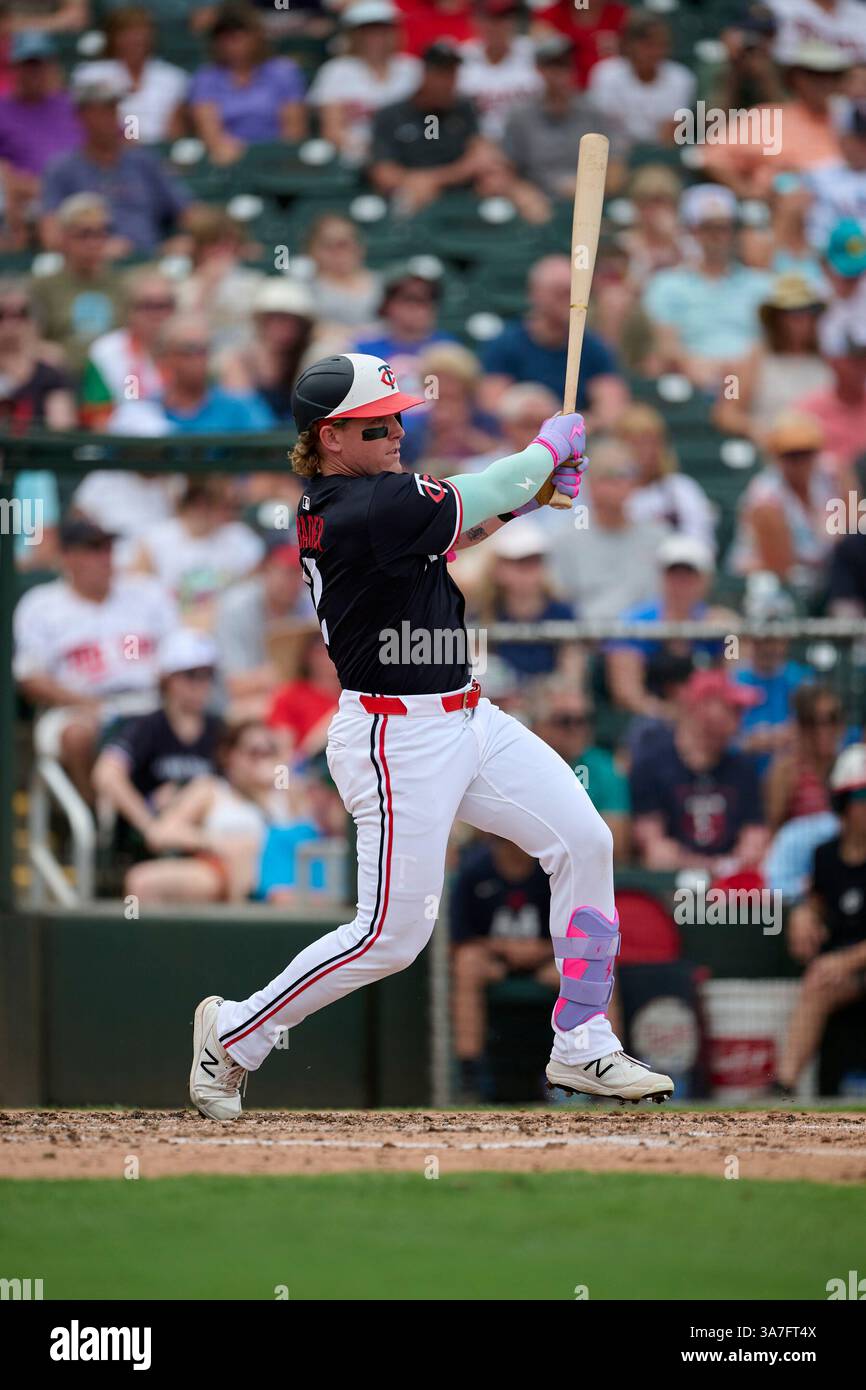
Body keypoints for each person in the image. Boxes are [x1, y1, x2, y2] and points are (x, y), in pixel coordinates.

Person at [188, 349, 674, 1120]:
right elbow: (480, 488)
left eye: (397, 420)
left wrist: (528, 500)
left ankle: (581, 1039)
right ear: (330, 440)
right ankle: (236, 1033)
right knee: (391, 937)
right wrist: (547, 451)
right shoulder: (361, 504)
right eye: (374, 426)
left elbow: (450, 535)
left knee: (586, 841)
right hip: (394, 738)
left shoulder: (370, 501)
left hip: (468, 716)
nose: (394, 433)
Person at [13, 517, 177, 797]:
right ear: (67, 557)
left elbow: (177, 652)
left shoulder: (146, 593)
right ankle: (96, 824)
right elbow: (29, 677)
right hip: (78, 706)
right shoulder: (40, 605)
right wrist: (89, 703)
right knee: (77, 736)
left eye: (108, 549)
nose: (105, 558)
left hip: (149, 700)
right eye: (93, 549)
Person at [368, 38, 547, 222]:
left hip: (465, 188)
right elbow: (384, 175)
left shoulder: (464, 108)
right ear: (424, 74)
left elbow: (482, 154)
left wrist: (439, 178)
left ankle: (536, 245)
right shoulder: (391, 114)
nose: (447, 81)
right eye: (440, 73)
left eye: (452, 73)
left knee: (525, 194)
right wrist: (434, 179)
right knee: (413, 193)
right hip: (416, 191)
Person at [775, 742, 866, 1095]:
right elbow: (817, 901)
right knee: (818, 982)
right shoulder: (825, 855)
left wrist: (845, 960)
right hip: (846, 969)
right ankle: (784, 1088)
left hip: (853, 961)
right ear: (844, 804)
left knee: (825, 973)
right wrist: (803, 913)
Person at [126, 720, 287, 904]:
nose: (262, 762)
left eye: (269, 753)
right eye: (254, 753)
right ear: (230, 756)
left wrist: (270, 788)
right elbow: (161, 834)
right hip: (222, 870)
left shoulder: (289, 791)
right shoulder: (210, 789)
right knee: (143, 881)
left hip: (281, 875)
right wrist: (218, 842)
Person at [629, 669, 769, 876]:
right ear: (701, 709)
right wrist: (709, 866)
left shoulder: (743, 767)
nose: (739, 721)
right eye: (733, 710)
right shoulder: (652, 765)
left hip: (729, 887)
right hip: (673, 886)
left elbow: (755, 836)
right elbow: (654, 847)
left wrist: (735, 861)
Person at [450, 834, 557, 1101]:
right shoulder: (474, 871)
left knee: (593, 971)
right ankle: (469, 1074)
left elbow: (578, 938)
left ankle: (598, 1066)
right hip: (493, 962)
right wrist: (504, 948)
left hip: (545, 962)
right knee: (467, 963)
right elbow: (458, 941)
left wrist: (539, 950)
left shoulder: (552, 872)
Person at [40, 72, 193, 257]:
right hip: (93, 269)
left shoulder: (143, 161)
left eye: (112, 109)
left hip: (150, 261)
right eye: (99, 110)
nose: (108, 117)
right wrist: (95, 248)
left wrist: (198, 237)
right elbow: (50, 235)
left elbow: (188, 212)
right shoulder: (62, 169)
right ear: (81, 116)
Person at [92, 629, 223, 843]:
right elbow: (106, 774)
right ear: (168, 679)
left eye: (208, 675)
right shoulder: (147, 726)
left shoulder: (220, 727)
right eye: (191, 675)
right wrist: (149, 824)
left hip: (210, 828)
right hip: (155, 837)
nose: (201, 684)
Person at [643, 184, 774, 391]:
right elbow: (665, 343)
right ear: (692, 231)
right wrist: (690, 364)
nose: (716, 236)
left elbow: (772, 340)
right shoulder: (666, 285)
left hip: (753, 382)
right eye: (707, 228)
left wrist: (742, 370)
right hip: (692, 381)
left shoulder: (762, 285)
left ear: (733, 231)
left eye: (723, 227)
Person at [480, 254, 628, 428]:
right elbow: (492, 407)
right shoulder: (506, 344)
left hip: (574, 445)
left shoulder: (593, 348)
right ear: (535, 294)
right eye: (560, 293)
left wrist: (562, 428)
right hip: (523, 442)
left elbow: (612, 413)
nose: (569, 301)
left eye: (573, 293)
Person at [605, 534, 732, 719]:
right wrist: (671, 716)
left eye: (688, 576)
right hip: (648, 723)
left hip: (706, 722)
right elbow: (627, 694)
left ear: (705, 581)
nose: (679, 584)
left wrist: (732, 634)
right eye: (673, 575)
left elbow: (735, 678)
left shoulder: (718, 624)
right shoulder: (632, 623)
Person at [548, 435, 670, 621]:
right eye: (608, 476)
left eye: (626, 475)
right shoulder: (564, 540)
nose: (618, 484)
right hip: (584, 639)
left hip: (647, 642)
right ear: (589, 482)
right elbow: (560, 603)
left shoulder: (659, 538)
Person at [501, 33, 627, 204]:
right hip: (538, 202)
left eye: (564, 65)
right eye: (552, 65)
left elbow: (616, 168)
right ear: (540, 69)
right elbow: (507, 171)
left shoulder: (593, 113)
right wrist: (522, 192)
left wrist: (586, 189)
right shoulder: (521, 116)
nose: (559, 73)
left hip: (589, 201)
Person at [130, 475, 265, 630]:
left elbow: (257, 584)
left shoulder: (239, 538)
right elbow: (137, 588)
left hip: (226, 627)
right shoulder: (157, 538)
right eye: (194, 502)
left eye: (208, 503)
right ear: (182, 506)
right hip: (173, 628)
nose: (201, 510)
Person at [713, 272, 832, 444]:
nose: (801, 320)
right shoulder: (752, 359)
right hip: (773, 450)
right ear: (776, 318)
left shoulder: (830, 358)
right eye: (791, 313)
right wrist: (754, 428)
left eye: (808, 312)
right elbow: (726, 412)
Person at [111, 313, 276, 435]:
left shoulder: (240, 407)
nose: (198, 359)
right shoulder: (145, 412)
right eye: (189, 350)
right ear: (165, 357)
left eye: (204, 350)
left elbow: (273, 464)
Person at [189, 2, 306, 165]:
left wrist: (264, 156)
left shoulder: (284, 72)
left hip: (279, 161)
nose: (233, 44)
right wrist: (238, 156)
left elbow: (294, 132)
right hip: (228, 161)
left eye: (239, 36)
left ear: (257, 36)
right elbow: (212, 135)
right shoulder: (206, 78)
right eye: (226, 37)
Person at [728, 411, 836, 585]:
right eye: (792, 455)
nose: (801, 462)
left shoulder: (831, 475)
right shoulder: (765, 496)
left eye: (807, 453)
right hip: (768, 581)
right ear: (776, 456)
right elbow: (780, 564)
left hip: (818, 575)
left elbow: (851, 530)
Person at [307, 0, 421, 163]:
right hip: (354, 158)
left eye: (383, 29)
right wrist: (373, 152)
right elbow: (332, 131)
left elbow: (425, 121)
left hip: (407, 156)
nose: (376, 37)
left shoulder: (412, 68)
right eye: (368, 31)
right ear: (354, 35)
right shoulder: (335, 70)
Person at [530, 676, 630, 861]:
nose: (576, 729)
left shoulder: (604, 768)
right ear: (538, 725)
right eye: (565, 721)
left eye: (582, 720)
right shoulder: (521, 766)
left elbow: (614, 845)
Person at [29, 193, 126, 376]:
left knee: (135, 394)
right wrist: (42, 349)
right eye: (84, 234)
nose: (93, 243)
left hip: (117, 379)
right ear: (64, 238)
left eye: (100, 233)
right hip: (63, 378)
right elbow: (26, 337)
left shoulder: (122, 284)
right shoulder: (43, 287)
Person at [0, 32, 81, 245]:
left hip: (82, 195)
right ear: (15, 67)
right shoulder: (2, 109)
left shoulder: (75, 104)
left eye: (40, 64)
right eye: (28, 64)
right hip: (29, 203)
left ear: (52, 65)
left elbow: (128, 127)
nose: (34, 71)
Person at [478, 518, 577, 684]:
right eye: (519, 562)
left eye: (535, 561)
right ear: (497, 568)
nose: (529, 570)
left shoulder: (564, 613)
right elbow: (479, 679)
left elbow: (572, 683)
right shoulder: (481, 615)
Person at [72, 5, 188, 145]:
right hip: (109, 150)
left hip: (158, 151)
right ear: (113, 37)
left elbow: (175, 129)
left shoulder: (173, 77)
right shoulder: (90, 75)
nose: (135, 39)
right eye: (127, 33)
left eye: (141, 33)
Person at [79, 269, 176, 430]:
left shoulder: (189, 350)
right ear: (129, 310)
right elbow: (97, 418)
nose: (158, 314)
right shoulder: (106, 352)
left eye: (164, 305)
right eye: (148, 306)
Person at [614, 403, 717, 554]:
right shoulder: (605, 492)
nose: (647, 451)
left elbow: (702, 546)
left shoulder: (682, 488)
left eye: (653, 443)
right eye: (637, 444)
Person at [586, 8, 696, 145]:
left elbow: (670, 135)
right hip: (613, 151)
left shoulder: (681, 78)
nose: (656, 52)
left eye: (662, 45)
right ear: (628, 44)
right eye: (648, 45)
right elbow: (601, 129)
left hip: (657, 154)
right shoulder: (606, 74)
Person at [217, 279, 315, 423]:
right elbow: (246, 417)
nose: (280, 327)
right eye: (272, 319)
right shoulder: (241, 360)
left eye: (288, 320)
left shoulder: (310, 357)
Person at [353, 266, 454, 397]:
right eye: (409, 299)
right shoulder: (363, 351)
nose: (417, 308)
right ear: (387, 304)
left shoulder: (448, 348)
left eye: (427, 299)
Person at [398, 340, 501, 469]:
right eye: (439, 398)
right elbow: (404, 469)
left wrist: (465, 435)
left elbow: (501, 458)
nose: (442, 386)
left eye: (453, 398)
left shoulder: (488, 421)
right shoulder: (415, 428)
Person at [456, 0, 542, 142]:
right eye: (488, 18)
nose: (495, 25)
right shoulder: (461, 58)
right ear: (475, 21)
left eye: (503, 17)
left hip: (529, 143)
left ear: (514, 21)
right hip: (476, 144)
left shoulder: (534, 53)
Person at [764, 683, 845, 830]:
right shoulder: (786, 772)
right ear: (800, 726)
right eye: (813, 721)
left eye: (832, 718)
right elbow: (773, 831)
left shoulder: (848, 767)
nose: (824, 729)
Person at [0, 276, 75, 432]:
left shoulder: (50, 373)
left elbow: (61, 429)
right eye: (1, 315)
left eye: (21, 314)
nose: (10, 324)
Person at [267, 628, 341, 757]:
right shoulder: (290, 696)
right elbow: (283, 752)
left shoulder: (358, 694)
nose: (330, 655)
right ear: (307, 656)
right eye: (321, 650)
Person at [303, 213, 382, 332]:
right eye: (328, 245)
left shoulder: (383, 284)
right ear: (312, 250)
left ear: (360, 248)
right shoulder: (303, 291)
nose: (337, 253)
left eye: (343, 244)